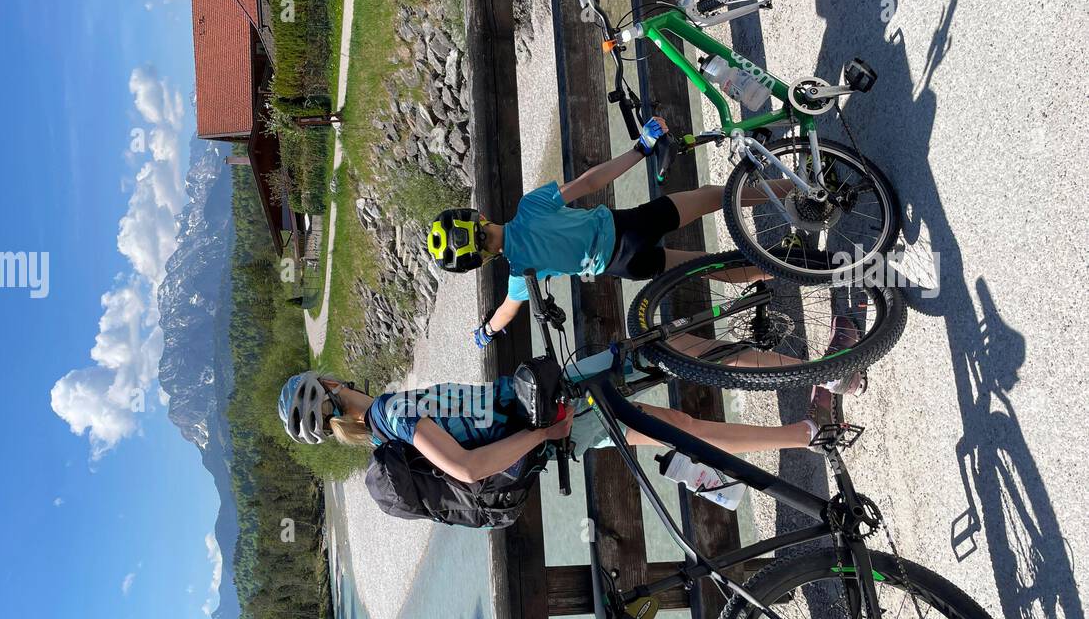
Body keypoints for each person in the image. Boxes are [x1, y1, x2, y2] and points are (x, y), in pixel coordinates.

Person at [426, 116, 795, 351]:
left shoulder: (521, 274)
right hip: (630, 225)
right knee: (713, 196)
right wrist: (640, 149)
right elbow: (590, 181)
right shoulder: (529, 207)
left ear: (484, 260)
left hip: (625, 264)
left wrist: (485, 333)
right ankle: (790, 193)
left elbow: (506, 312)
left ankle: (788, 265)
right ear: (482, 216)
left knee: (708, 266)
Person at [277, 370, 842, 486]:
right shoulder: (392, 417)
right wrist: (545, 436)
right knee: (677, 426)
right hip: (550, 417)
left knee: (671, 412)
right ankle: (806, 432)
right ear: (330, 389)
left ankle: (802, 423)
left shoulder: (384, 436)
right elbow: (470, 470)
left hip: (544, 400)